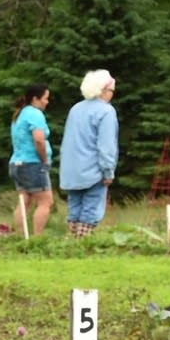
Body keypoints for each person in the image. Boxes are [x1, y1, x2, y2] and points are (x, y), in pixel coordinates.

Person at [58, 69, 119, 237]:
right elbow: (106, 146)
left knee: (74, 211)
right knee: (90, 212)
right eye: (112, 91)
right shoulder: (106, 111)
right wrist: (108, 171)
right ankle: (84, 246)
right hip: (94, 171)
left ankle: (70, 245)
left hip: (72, 171)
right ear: (104, 90)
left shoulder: (75, 109)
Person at [8, 83, 54, 237]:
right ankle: (37, 238)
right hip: (33, 164)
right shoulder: (35, 114)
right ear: (35, 99)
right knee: (45, 202)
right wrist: (45, 159)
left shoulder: (19, 114)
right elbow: (39, 140)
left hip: (16, 164)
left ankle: (21, 237)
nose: (47, 102)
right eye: (45, 98)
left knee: (24, 202)